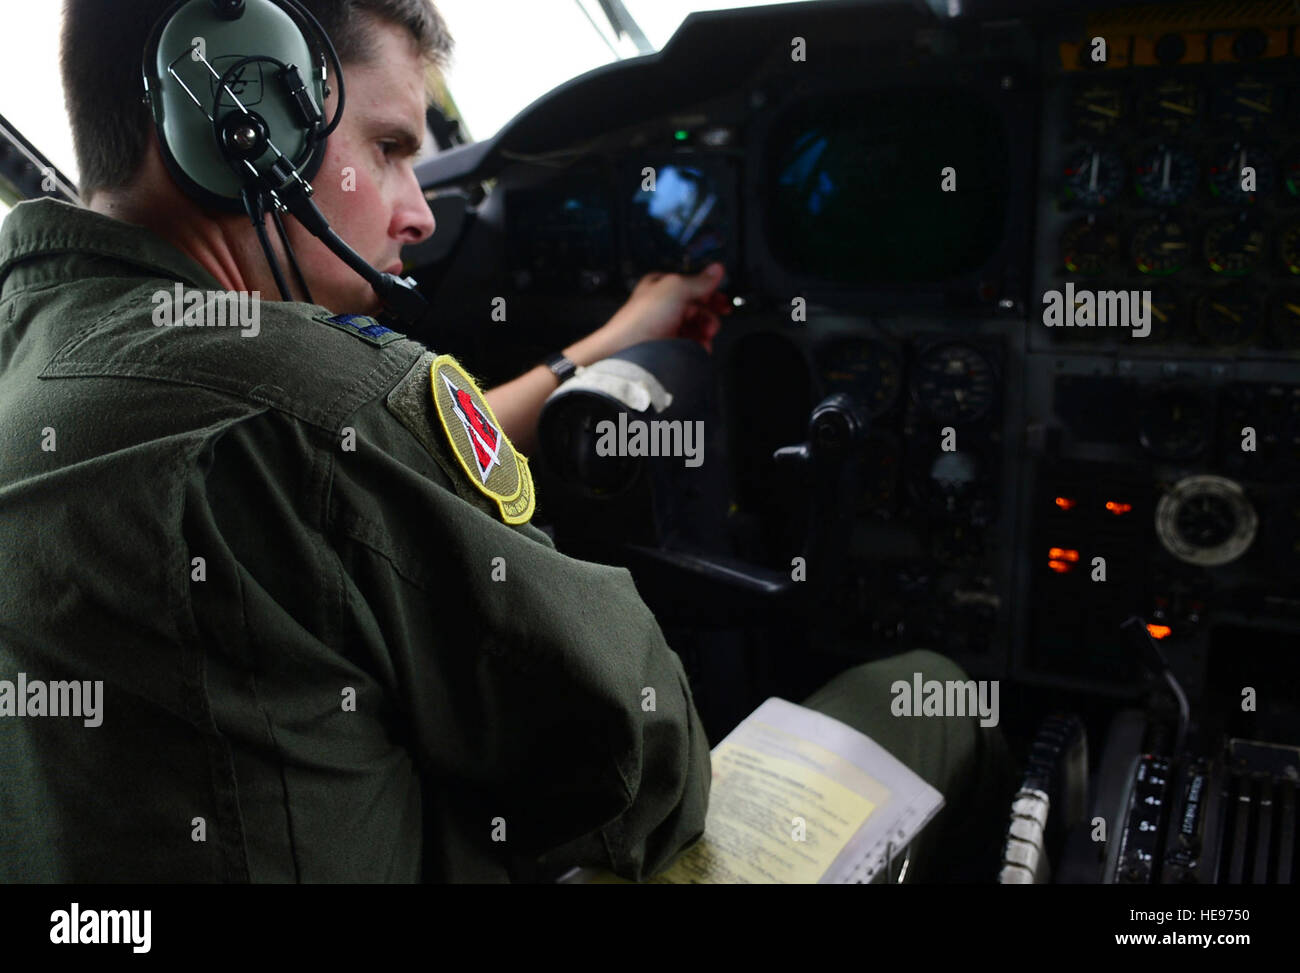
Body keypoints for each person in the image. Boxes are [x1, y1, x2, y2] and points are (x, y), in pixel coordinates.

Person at [0, 0, 1010, 883]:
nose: (418, 215)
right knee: (930, 690)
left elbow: (355, 459)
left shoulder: (46, 357)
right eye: (392, 148)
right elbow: (645, 769)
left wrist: (604, 347)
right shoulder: (309, 404)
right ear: (242, 124)